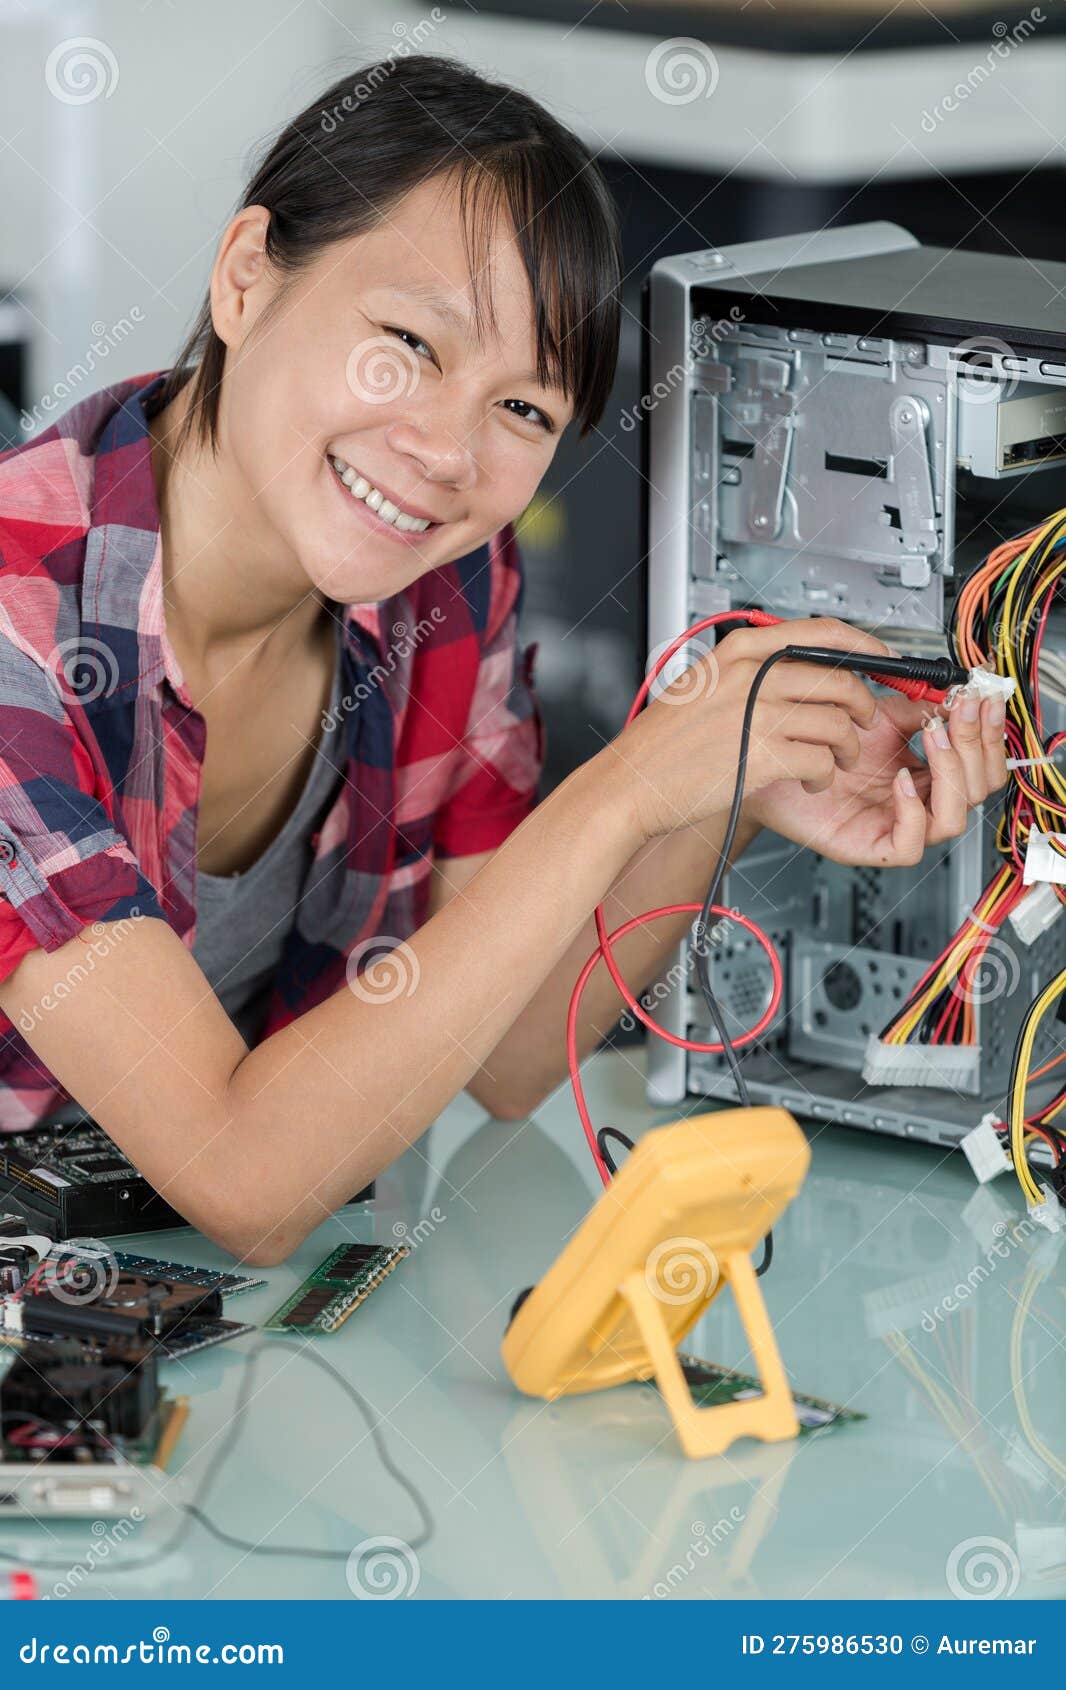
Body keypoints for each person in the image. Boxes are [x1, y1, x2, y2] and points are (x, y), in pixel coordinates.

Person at [0, 56, 1005, 1265]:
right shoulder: (18, 629)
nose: (446, 453)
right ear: (246, 276)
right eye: (409, 343)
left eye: (523, 410)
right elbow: (245, 1176)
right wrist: (624, 784)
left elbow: (514, 1048)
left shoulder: (438, 581)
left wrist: (730, 778)